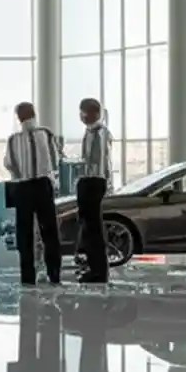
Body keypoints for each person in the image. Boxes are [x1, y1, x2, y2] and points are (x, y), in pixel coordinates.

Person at [3, 102, 64, 286]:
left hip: (23, 187)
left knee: (25, 233)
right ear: (34, 114)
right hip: (43, 185)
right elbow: (55, 160)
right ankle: (54, 274)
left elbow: (8, 164)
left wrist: (22, 173)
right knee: (50, 232)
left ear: (19, 117)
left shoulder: (13, 139)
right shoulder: (46, 134)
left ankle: (27, 276)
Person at [75, 98, 113, 284]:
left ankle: (99, 271)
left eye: (84, 112)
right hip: (88, 181)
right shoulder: (90, 132)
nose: (81, 116)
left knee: (94, 229)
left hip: (94, 182)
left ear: (95, 113)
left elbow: (97, 161)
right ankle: (92, 267)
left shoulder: (100, 133)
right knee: (88, 228)